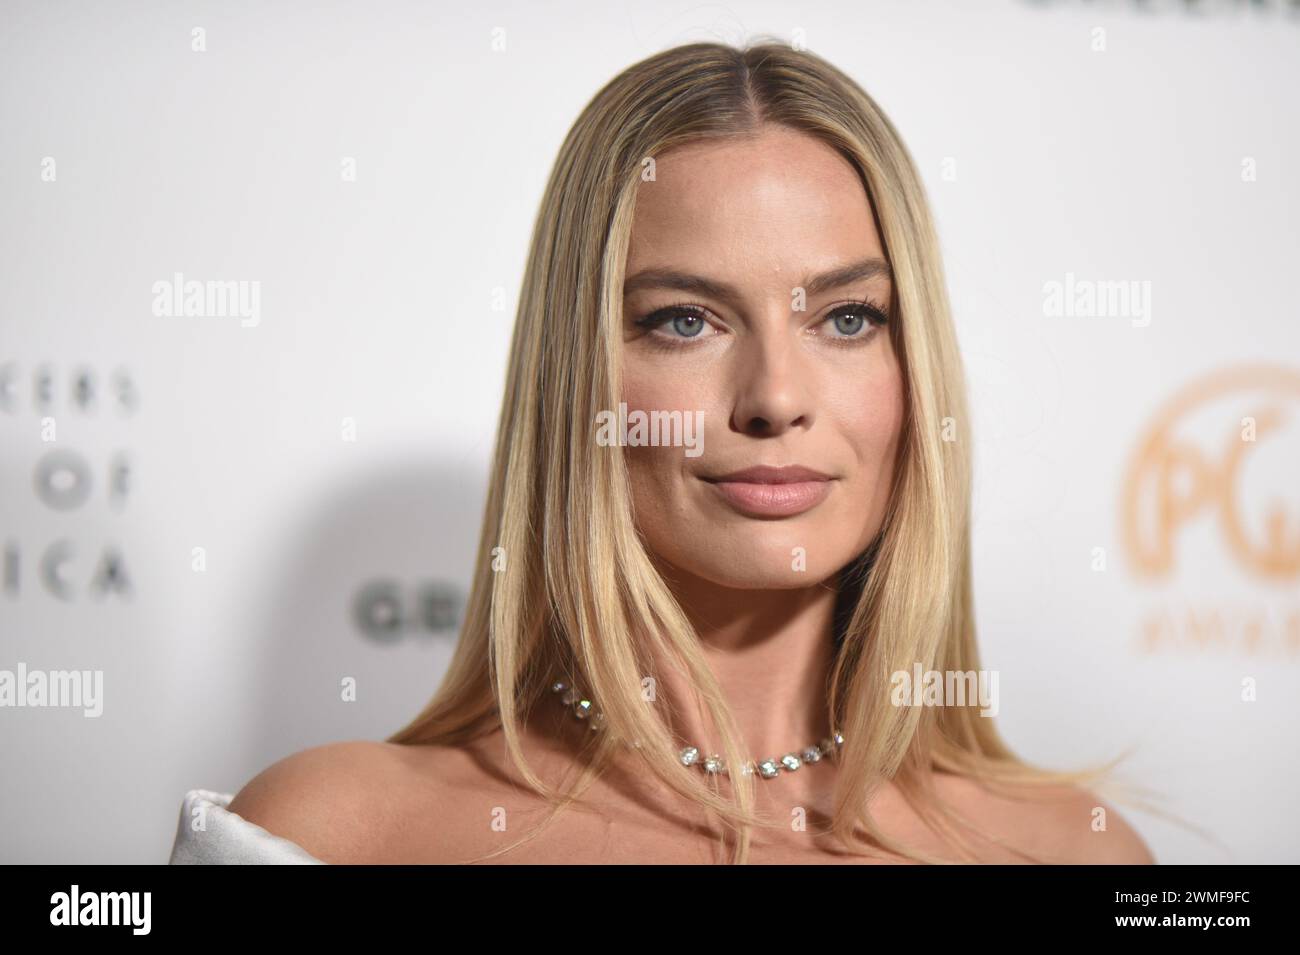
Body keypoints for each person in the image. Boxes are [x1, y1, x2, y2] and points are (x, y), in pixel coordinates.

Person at [169, 38, 1156, 865]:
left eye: (847, 318)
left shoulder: (1073, 850)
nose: (774, 396)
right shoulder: (340, 832)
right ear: (576, 380)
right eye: (686, 320)